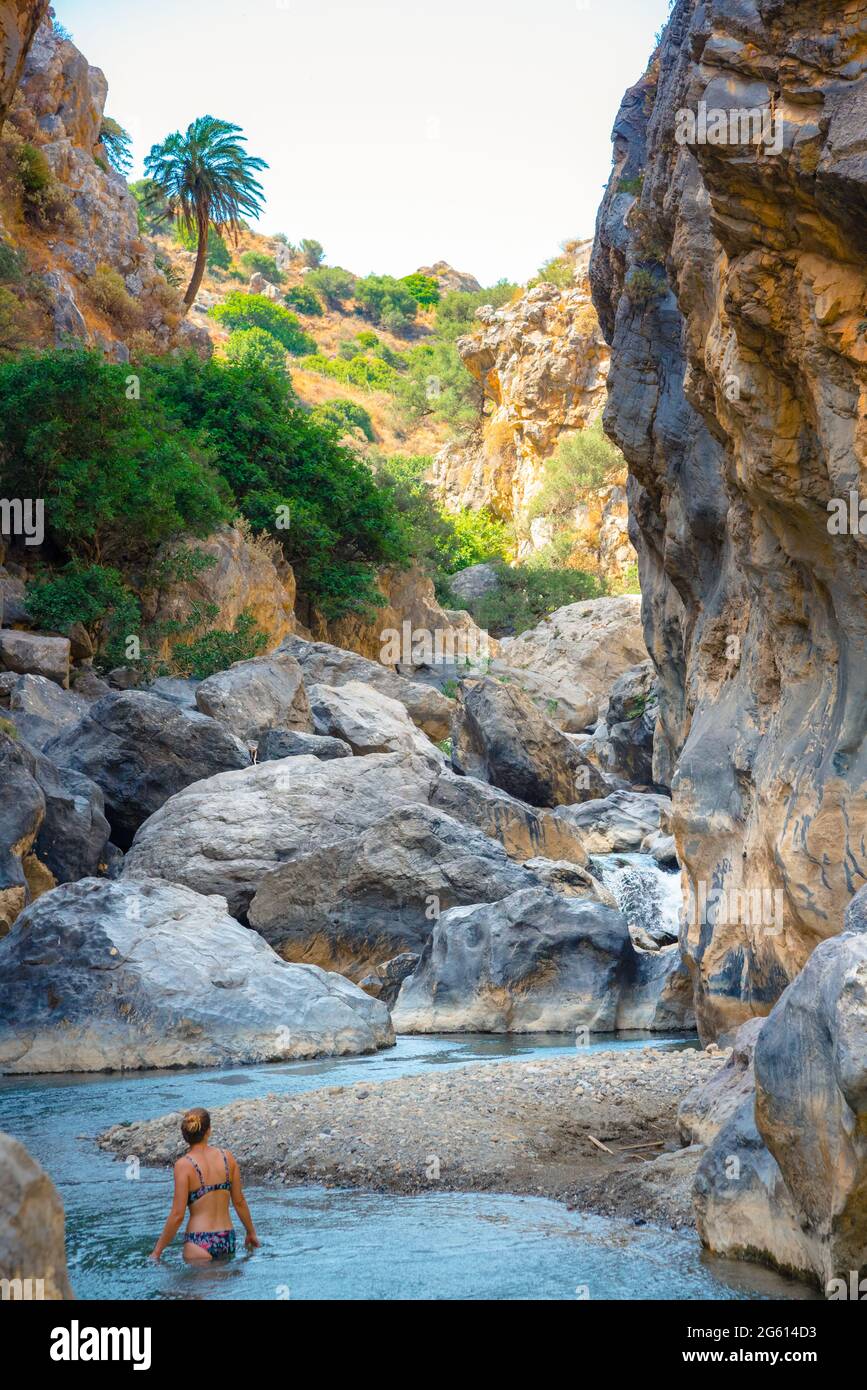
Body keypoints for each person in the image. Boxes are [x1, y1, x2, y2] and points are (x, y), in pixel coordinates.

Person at [149, 1107, 260, 1264]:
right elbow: (239, 1201)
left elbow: (177, 1215)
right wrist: (251, 1232)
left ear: (185, 1135)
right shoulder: (227, 1157)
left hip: (199, 1241)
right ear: (209, 1131)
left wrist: (157, 1251)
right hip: (227, 1238)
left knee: (195, 1287)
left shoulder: (184, 1165)